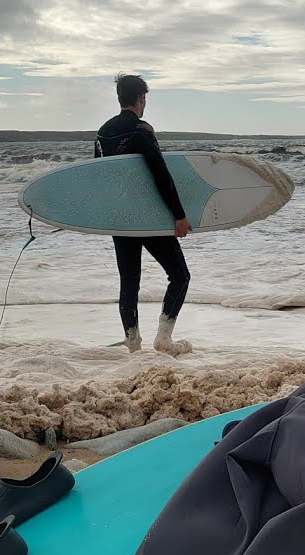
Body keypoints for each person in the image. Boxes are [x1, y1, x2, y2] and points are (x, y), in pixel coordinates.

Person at [95, 73, 193, 355]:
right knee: (180, 275)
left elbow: (98, 178)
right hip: (146, 217)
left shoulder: (102, 132)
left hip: (119, 218)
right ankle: (164, 340)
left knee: (129, 282)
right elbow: (160, 174)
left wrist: (102, 215)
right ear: (141, 98)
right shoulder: (142, 129)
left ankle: (132, 342)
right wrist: (179, 215)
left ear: (119, 98)